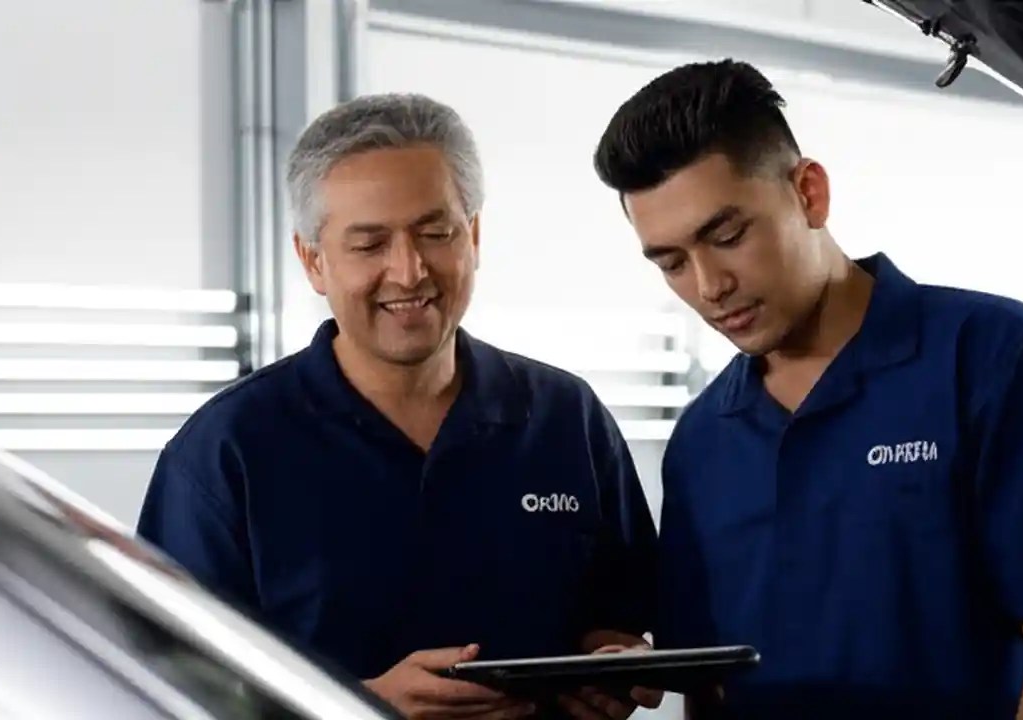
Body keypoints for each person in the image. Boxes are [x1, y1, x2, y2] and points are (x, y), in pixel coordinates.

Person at [591, 59, 1023, 719]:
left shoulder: (991, 356)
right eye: (672, 262)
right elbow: (713, 685)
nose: (709, 286)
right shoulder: (702, 439)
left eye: (728, 236)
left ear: (809, 193)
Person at [137, 92, 662, 720]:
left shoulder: (566, 418)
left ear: (473, 235)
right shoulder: (226, 454)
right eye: (369, 245)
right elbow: (167, 687)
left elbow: (621, 614)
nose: (409, 271)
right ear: (313, 261)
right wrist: (360, 708)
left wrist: (610, 661)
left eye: (435, 233)